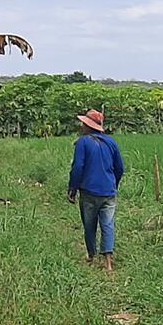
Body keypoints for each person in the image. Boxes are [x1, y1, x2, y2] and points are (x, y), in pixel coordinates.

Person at [67, 108, 125, 272]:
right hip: (109, 192)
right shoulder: (111, 142)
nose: (81, 126)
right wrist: (114, 184)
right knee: (108, 224)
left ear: (88, 126)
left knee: (89, 224)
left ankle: (91, 255)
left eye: (83, 124)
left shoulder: (83, 142)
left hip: (89, 191)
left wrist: (73, 188)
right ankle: (108, 262)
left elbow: (78, 167)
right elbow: (120, 168)